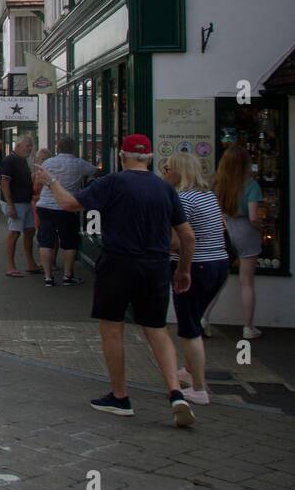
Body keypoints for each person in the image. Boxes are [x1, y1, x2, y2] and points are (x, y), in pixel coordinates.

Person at [39, 134, 197, 427]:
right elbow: (187, 235)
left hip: (119, 263)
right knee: (157, 330)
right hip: (156, 265)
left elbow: (70, 204)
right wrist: (184, 269)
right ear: (149, 158)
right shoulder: (165, 188)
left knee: (112, 329)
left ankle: (120, 396)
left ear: (123, 156)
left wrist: (50, 181)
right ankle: (176, 393)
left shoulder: (113, 182)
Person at [163, 152, 229, 405]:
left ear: (178, 172)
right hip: (218, 264)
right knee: (195, 321)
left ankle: (199, 389)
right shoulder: (208, 196)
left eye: (167, 168)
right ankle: (190, 371)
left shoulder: (181, 200)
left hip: (194, 266)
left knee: (189, 328)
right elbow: (220, 229)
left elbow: (177, 241)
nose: (164, 173)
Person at [214, 145, 263, 339]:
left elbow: (217, 213)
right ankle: (248, 327)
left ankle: (203, 319)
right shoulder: (251, 185)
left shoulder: (219, 184)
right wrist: (260, 227)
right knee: (246, 282)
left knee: (218, 279)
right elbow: (253, 216)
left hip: (225, 228)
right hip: (245, 230)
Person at [35, 136, 98, 286]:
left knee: (46, 241)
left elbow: (38, 181)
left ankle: (48, 277)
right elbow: (95, 171)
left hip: (45, 205)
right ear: (73, 148)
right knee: (69, 241)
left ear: (58, 147)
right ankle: (68, 276)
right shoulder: (79, 164)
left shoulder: (48, 163)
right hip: (67, 206)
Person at [1, 136, 41, 277]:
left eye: (31, 146)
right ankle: (11, 267)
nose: (30, 149)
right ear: (18, 146)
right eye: (27, 146)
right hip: (16, 202)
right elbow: (4, 184)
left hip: (25, 201)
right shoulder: (9, 161)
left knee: (30, 230)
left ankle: (31, 263)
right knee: (15, 232)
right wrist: (10, 206)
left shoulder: (22, 160)